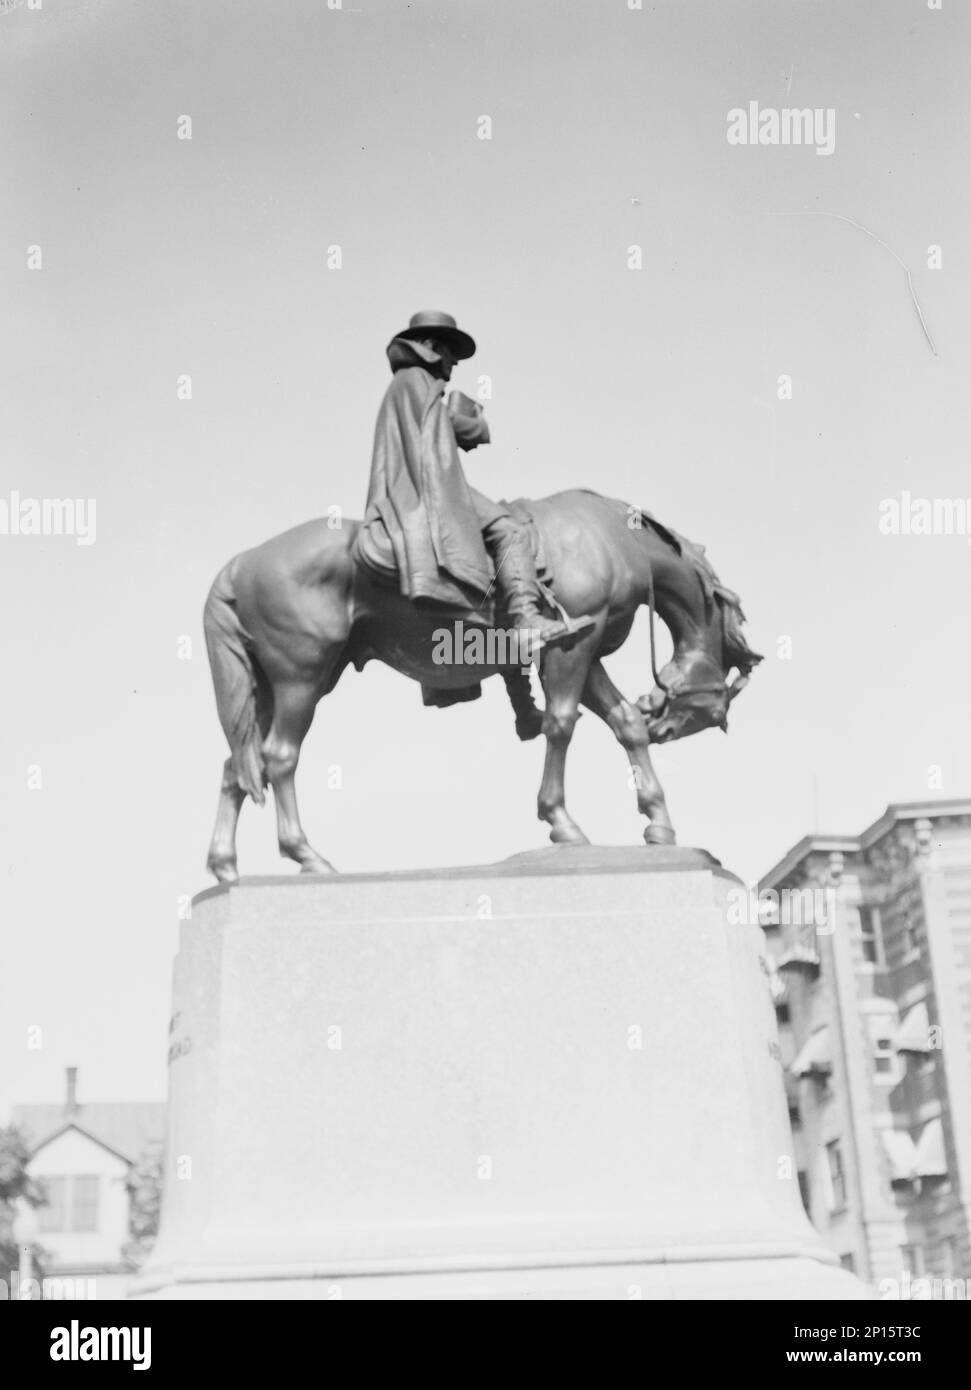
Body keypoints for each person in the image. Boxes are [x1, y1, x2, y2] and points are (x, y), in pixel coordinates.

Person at [357, 310, 592, 652]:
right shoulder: (416, 379)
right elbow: (437, 425)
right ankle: (526, 618)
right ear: (431, 346)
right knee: (510, 529)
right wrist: (475, 424)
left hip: (425, 481)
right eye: (450, 353)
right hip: (427, 487)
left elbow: (431, 427)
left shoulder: (409, 382)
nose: (453, 364)